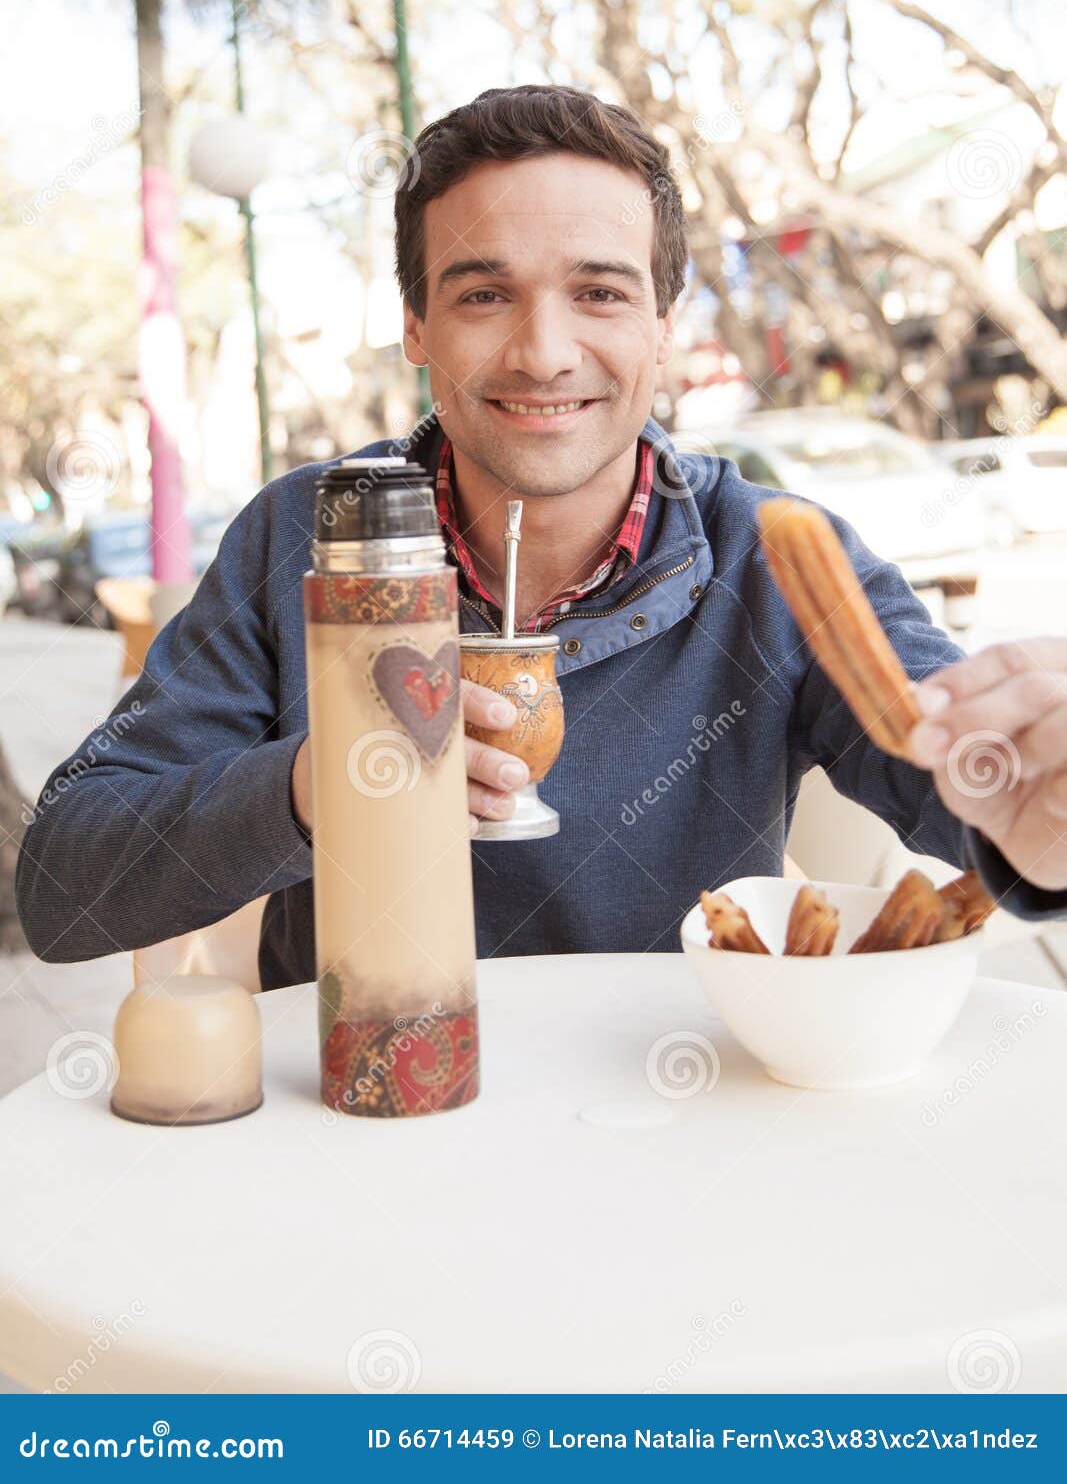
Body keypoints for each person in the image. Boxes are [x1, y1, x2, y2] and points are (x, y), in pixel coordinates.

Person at [16, 86, 1067, 989]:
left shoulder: (768, 559)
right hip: (366, 1121)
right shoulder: (303, 536)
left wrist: (1039, 817)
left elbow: (972, 786)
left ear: (663, 325)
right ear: (416, 326)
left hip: (672, 1102)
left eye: (599, 292)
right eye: (484, 294)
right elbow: (64, 885)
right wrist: (310, 788)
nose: (543, 352)